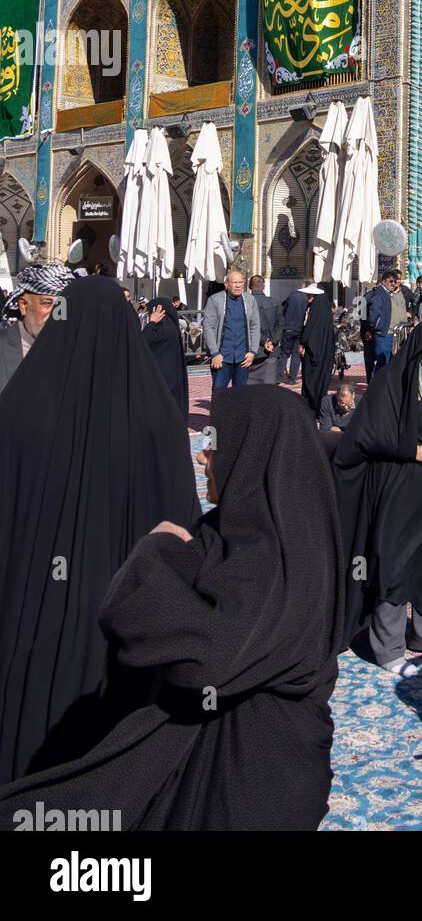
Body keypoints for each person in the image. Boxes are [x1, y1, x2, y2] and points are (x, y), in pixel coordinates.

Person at [0, 386, 345, 829]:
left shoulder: (279, 559)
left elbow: (206, 659)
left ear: (250, 449)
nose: (202, 458)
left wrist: (154, 553)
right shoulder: (244, 530)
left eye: (212, 443)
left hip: (255, 788)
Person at [0, 277, 200, 787]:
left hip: (31, 614)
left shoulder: (20, 409)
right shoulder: (157, 419)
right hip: (125, 629)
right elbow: (183, 532)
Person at [330, 321, 422, 676]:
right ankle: (389, 648)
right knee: (392, 564)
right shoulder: (390, 383)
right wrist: (412, 450)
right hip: (397, 491)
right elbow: (365, 435)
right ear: (419, 352)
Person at [0, 261, 74, 391]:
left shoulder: (73, 351)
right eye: (47, 303)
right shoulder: (3, 347)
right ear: (23, 305)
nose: (56, 313)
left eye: (61, 305)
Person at [202, 266, 260, 390]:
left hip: (243, 357)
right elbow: (208, 327)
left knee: (240, 395)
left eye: (240, 282)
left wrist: (253, 352)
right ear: (226, 284)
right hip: (222, 356)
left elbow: (255, 326)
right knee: (219, 393)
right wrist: (215, 353)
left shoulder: (250, 300)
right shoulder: (215, 300)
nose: (238, 285)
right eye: (234, 282)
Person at [142, 296, 189, 416]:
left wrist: (151, 322)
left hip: (160, 379)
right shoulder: (172, 327)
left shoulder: (161, 330)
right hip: (172, 376)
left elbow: (142, 341)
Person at [299, 287, 335, 420]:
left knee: (312, 381)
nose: (309, 298)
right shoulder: (323, 312)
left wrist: (303, 342)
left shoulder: (317, 313)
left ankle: (313, 407)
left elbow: (311, 334)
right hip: (323, 355)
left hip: (315, 355)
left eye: (311, 296)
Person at [364, 269, 403, 382]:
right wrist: (376, 326)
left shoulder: (388, 294)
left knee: (388, 361)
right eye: (391, 281)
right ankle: (377, 386)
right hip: (383, 333)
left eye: (395, 281)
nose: (393, 284)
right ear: (384, 281)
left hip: (391, 333)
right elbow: (374, 314)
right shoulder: (379, 294)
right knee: (382, 361)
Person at [247, 274, 283, 385]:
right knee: (269, 388)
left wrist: (265, 341)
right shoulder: (275, 302)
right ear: (264, 286)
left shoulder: (246, 303)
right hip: (271, 350)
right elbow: (280, 325)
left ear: (250, 287)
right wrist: (272, 341)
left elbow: (248, 328)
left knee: (250, 388)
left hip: (252, 350)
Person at [280, 280, 312, 383]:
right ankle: (292, 379)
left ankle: (278, 377)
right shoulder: (308, 298)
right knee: (296, 354)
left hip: (288, 327)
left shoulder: (292, 295)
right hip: (300, 329)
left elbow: (284, 310)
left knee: (284, 354)